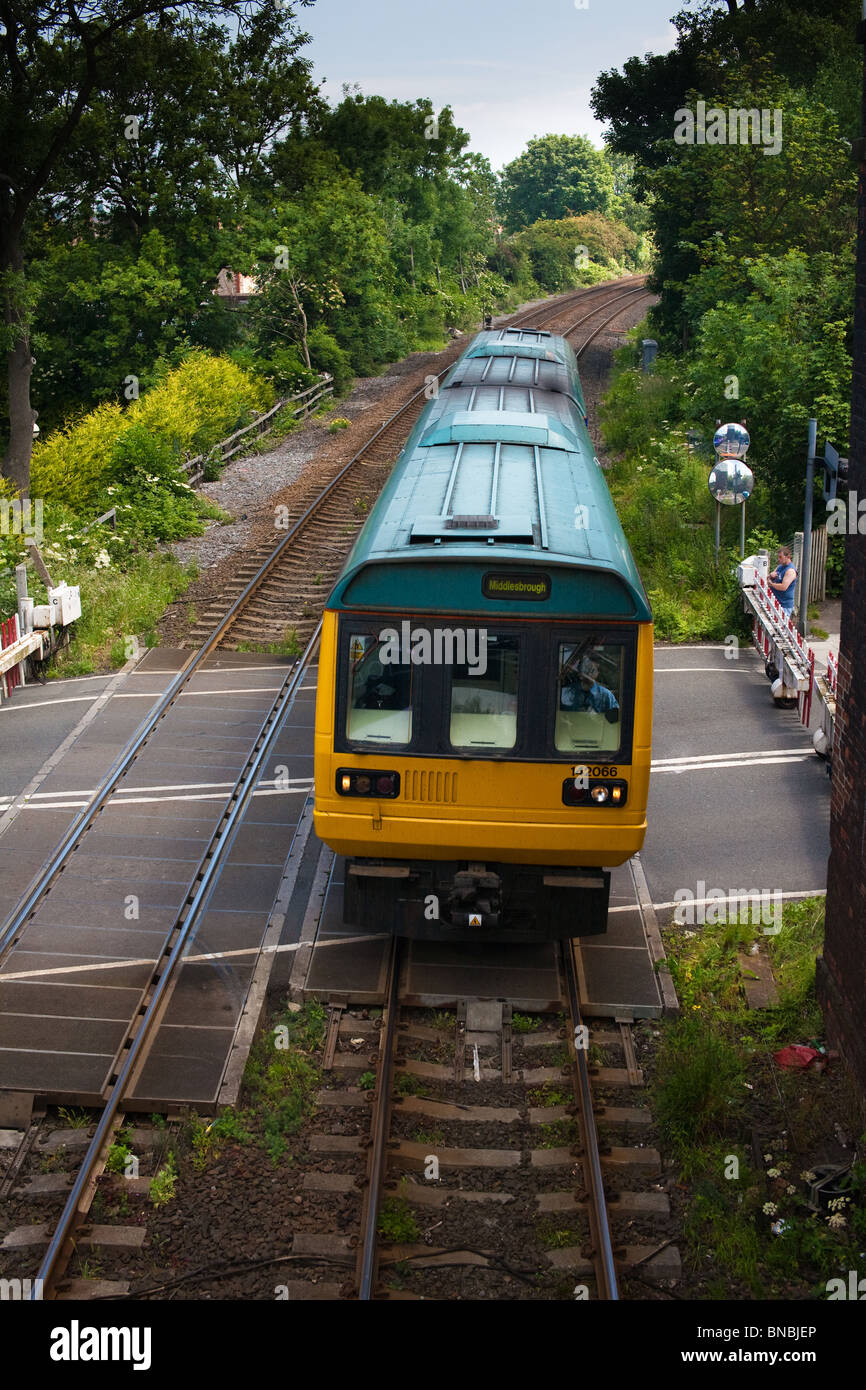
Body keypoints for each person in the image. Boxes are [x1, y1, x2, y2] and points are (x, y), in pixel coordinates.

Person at [560, 656, 619, 724]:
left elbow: (615, 721)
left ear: (597, 673)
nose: (588, 673)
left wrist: (598, 718)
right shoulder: (566, 692)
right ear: (579, 673)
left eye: (592, 670)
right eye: (585, 669)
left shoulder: (606, 695)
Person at [767, 545, 797, 614]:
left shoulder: (790, 571)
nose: (778, 559)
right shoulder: (780, 566)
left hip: (784, 605)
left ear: (787, 557)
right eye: (778, 557)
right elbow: (769, 578)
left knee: (780, 624)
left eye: (780, 557)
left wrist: (771, 584)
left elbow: (783, 587)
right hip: (775, 601)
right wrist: (770, 576)